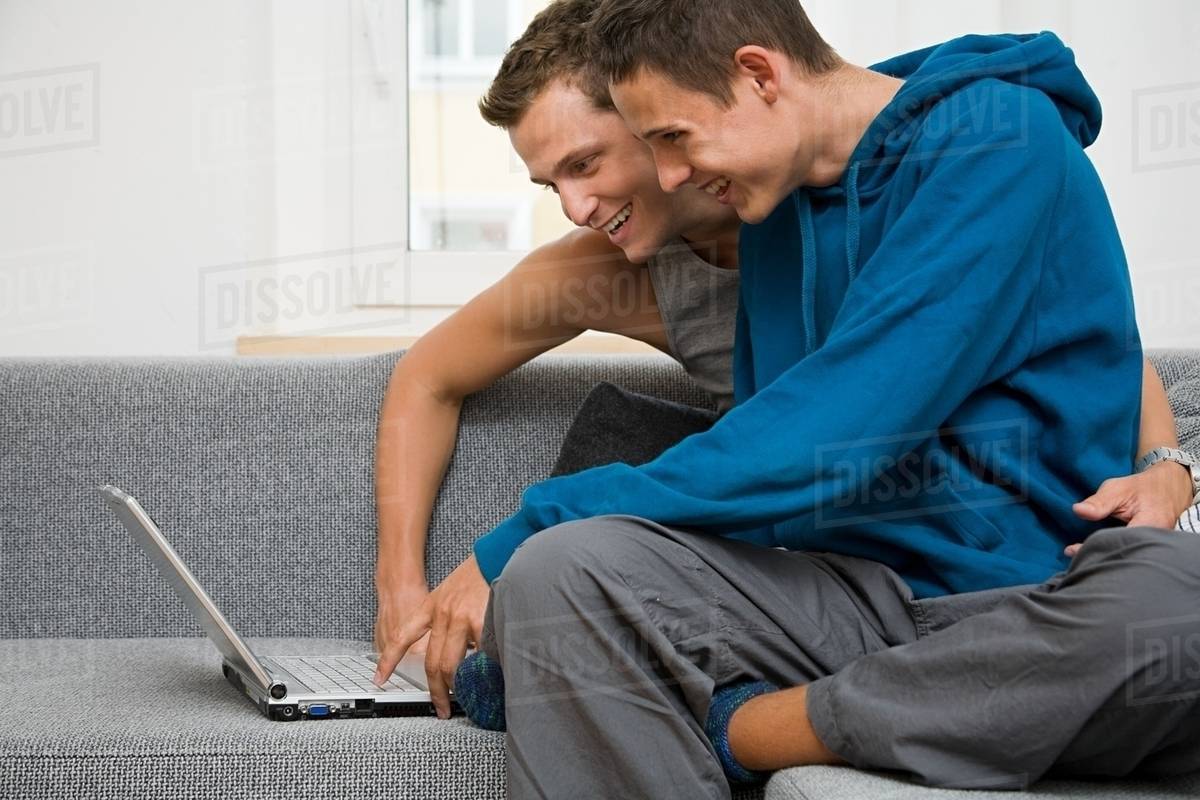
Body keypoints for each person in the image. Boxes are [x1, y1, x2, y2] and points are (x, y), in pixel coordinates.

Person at [375, 0, 1194, 696]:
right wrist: (402, 594)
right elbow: (429, 374)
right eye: (551, 184)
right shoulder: (708, 229)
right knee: (567, 582)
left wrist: (1168, 463)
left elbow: (1065, 337)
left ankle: (750, 720)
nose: (577, 205)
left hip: (954, 553)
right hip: (819, 541)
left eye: (591, 161)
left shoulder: (883, 156)